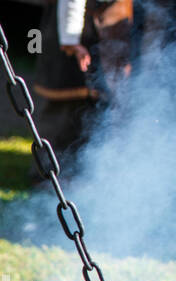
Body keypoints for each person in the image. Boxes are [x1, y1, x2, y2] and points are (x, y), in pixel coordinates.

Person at [32, 0, 133, 165]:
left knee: (101, 112)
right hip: (78, 29)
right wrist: (71, 37)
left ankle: (89, 175)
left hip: (108, 28)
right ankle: (49, 177)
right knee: (65, 112)